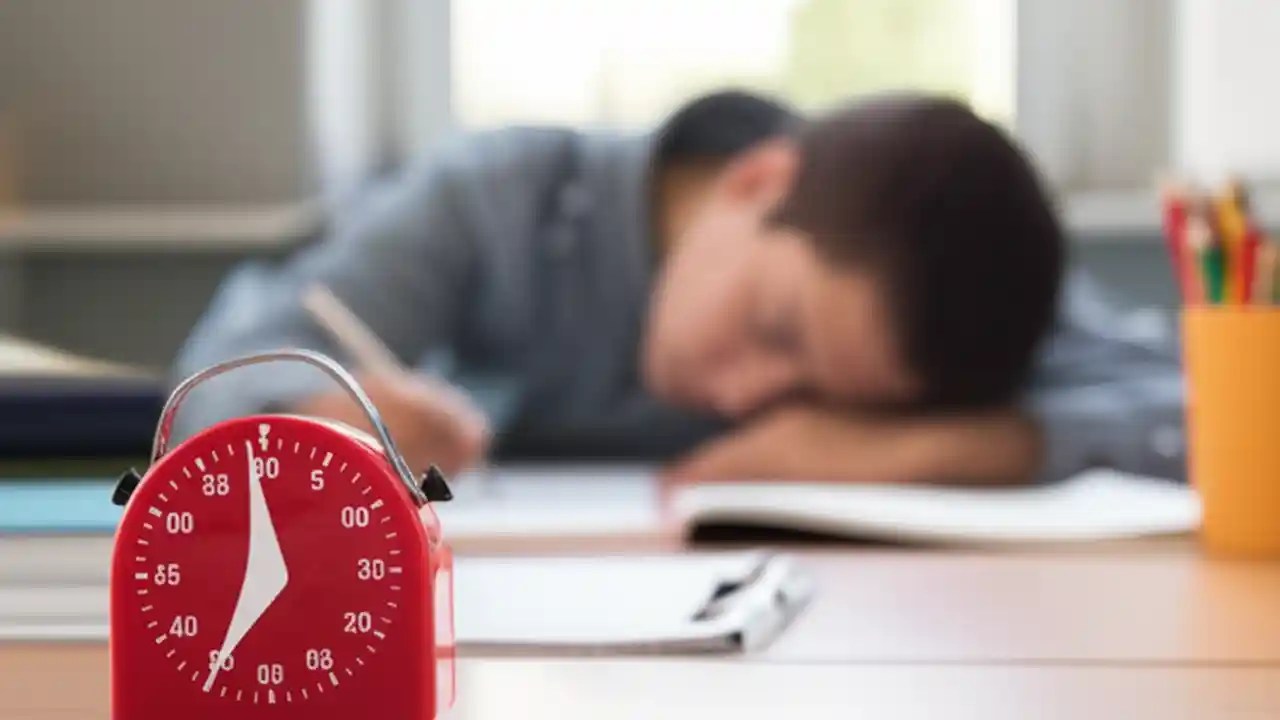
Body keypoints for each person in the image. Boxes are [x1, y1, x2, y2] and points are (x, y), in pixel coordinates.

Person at [174, 90, 1185, 485]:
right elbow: (210, 383)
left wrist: (914, 444)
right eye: (772, 328)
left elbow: (1202, 412)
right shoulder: (497, 200)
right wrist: (313, 415)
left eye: (815, 390)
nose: (748, 397)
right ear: (757, 180)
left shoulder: (941, 258)